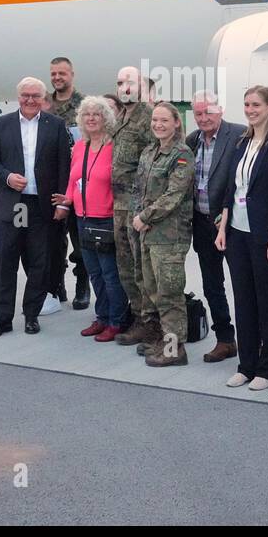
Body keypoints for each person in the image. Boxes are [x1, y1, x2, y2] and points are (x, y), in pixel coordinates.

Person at [215, 86, 268, 390]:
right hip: (237, 234)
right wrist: (223, 228)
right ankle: (246, 364)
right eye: (247, 104)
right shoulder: (242, 142)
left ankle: (267, 367)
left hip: (266, 235)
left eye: (256, 105)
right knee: (243, 300)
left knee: (267, 301)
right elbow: (230, 191)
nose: (250, 110)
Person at [0, 77, 72, 337]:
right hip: (13, 204)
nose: (30, 100)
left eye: (35, 96)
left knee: (39, 263)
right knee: (5, 262)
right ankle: (2, 318)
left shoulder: (55, 125)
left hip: (41, 206)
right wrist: (8, 177)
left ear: (44, 99)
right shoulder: (1, 124)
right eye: (25, 95)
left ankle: (31, 315)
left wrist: (63, 204)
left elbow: (64, 166)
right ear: (18, 96)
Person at [132, 102, 196, 367]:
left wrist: (145, 217)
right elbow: (139, 190)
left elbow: (174, 195)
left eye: (164, 121)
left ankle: (175, 350)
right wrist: (139, 217)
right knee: (151, 290)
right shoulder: (149, 151)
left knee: (169, 295)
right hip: (148, 233)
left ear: (176, 123)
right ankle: (160, 339)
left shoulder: (181, 154)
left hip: (169, 236)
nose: (158, 125)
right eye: (155, 120)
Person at [184, 92, 243, 362]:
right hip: (202, 223)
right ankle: (225, 339)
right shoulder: (192, 141)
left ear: (220, 110)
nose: (203, 118)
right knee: (212, 285)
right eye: (198, 114)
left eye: (208, 112)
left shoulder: (240, 136)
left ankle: (254, 339)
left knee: (243, 284)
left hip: (233, 224)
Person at [63, 96, 128, 340]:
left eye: (96, 114)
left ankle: (117, 321)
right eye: (87, 114)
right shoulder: (80, 146)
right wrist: (68, 199)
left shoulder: (114, 147)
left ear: (106, 118)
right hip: (82, 217)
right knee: (95, 273)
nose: (91, 118)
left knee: (111, 274)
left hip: (106, 218)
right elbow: (73, 179)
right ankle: (101, 317)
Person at [110, 66, 157, 346]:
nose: (125, 87)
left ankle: (152, 323)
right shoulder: (120, 117)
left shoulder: (149, 116)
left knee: (143, 269)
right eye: (120, 83)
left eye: (130, 82)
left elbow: (157, 162)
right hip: (119, 205)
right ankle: (139, 317)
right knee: (126, 266)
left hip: (139, 206)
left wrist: (148, 209)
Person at [43, 55, 88, 313]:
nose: (57, 78)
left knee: (80, 237)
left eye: (62, 73)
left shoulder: (84, 104)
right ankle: (57, 284)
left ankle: (83, 284)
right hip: (52, 181)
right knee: (53, 239)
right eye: (54, 74)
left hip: (80, 182)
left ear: (72, 74)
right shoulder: (45, 104)